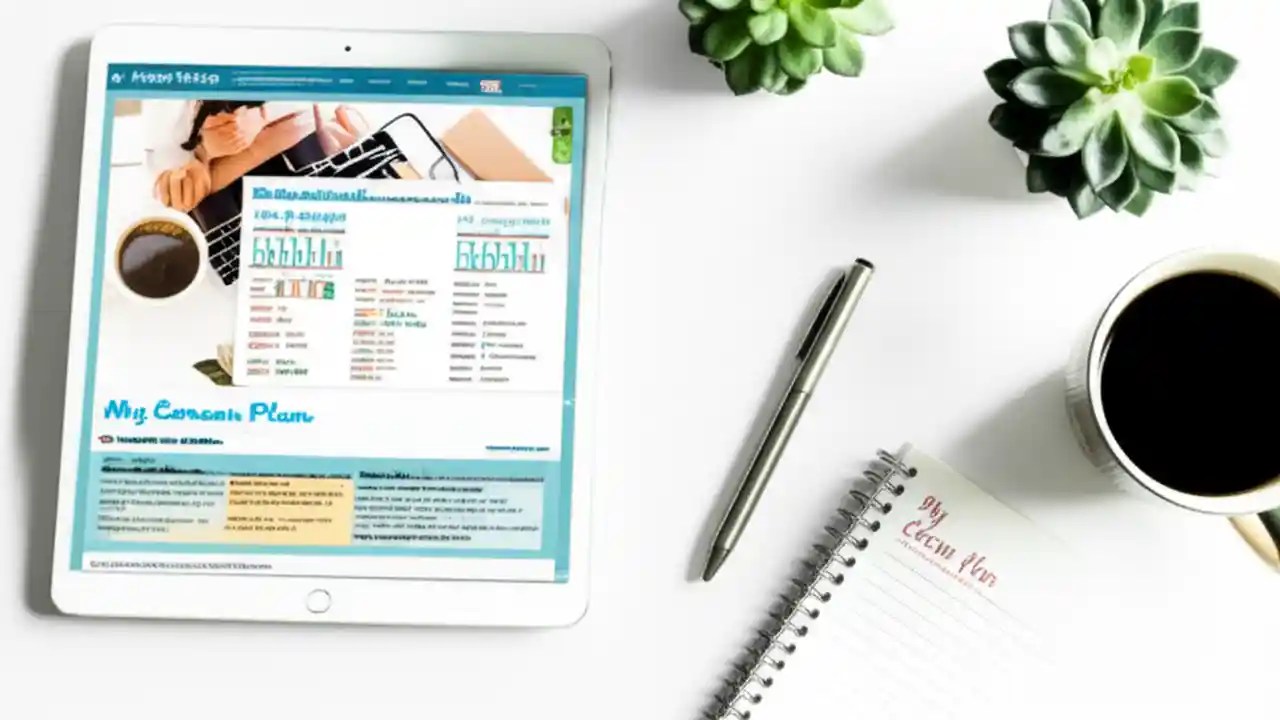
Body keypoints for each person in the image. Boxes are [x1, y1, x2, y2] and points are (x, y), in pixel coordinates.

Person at [144, 100, 369, 212]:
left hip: (315, 156)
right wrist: (204, 151)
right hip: (228, 197)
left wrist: (262, 116)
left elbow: (330, 94)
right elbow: (161, 152)